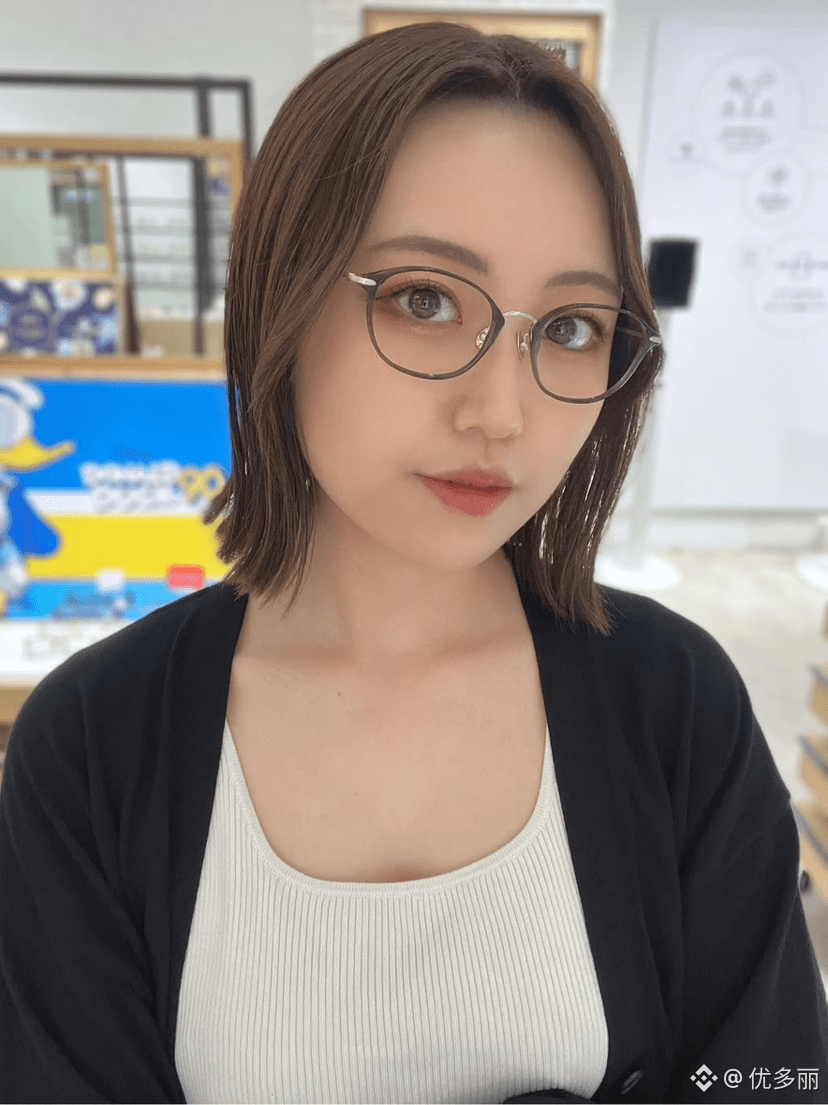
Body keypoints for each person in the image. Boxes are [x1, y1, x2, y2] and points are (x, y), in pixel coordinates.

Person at [1, 21, 826, 1105]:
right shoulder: (92, 749)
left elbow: (768, 1075)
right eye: (425, 299)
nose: (502, 412)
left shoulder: (677, 706)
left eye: (571, 326)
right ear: (282, 297)